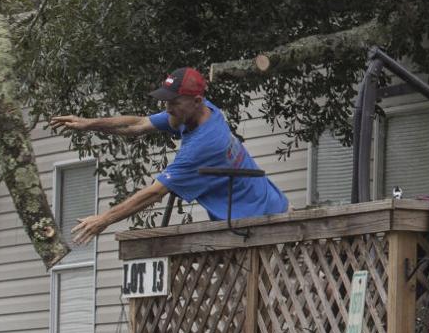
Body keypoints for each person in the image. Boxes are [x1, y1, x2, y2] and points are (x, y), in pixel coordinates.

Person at [48, 66, 289, 246]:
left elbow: (154, 194)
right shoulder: (203, 111)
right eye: (166, 102)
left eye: (173, 102)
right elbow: (138, 125)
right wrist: (87, 123)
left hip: (258, 224)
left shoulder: (203, 146)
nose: (167, 109)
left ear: (196, 101)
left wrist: (104, 220)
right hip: (261, 209)